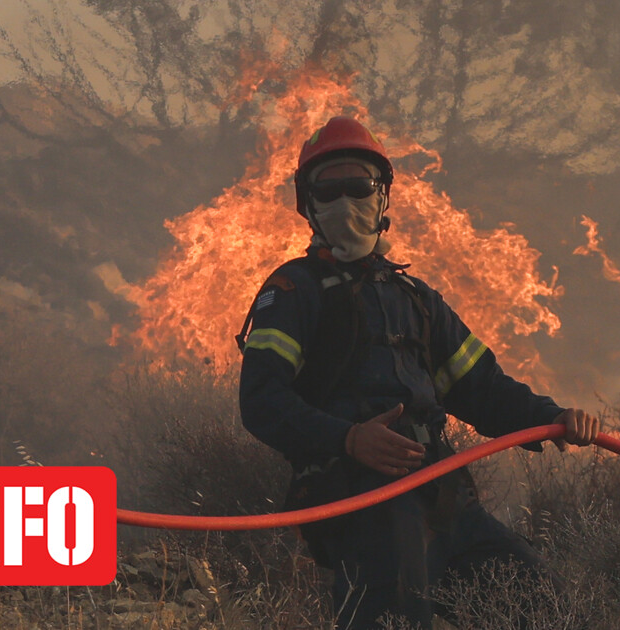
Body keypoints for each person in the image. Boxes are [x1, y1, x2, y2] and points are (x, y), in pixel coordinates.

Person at [237, 115, 600, 629]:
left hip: (445, 499)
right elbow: (262, 400)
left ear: (382, 196)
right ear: (308, 203)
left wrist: (554, 415)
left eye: (358, 186)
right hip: (364, 505)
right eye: (329, 188)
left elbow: (483, 389)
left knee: (544, 607)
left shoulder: (415, 299)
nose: (345, 201)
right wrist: (348, 439)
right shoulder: (295, 293)